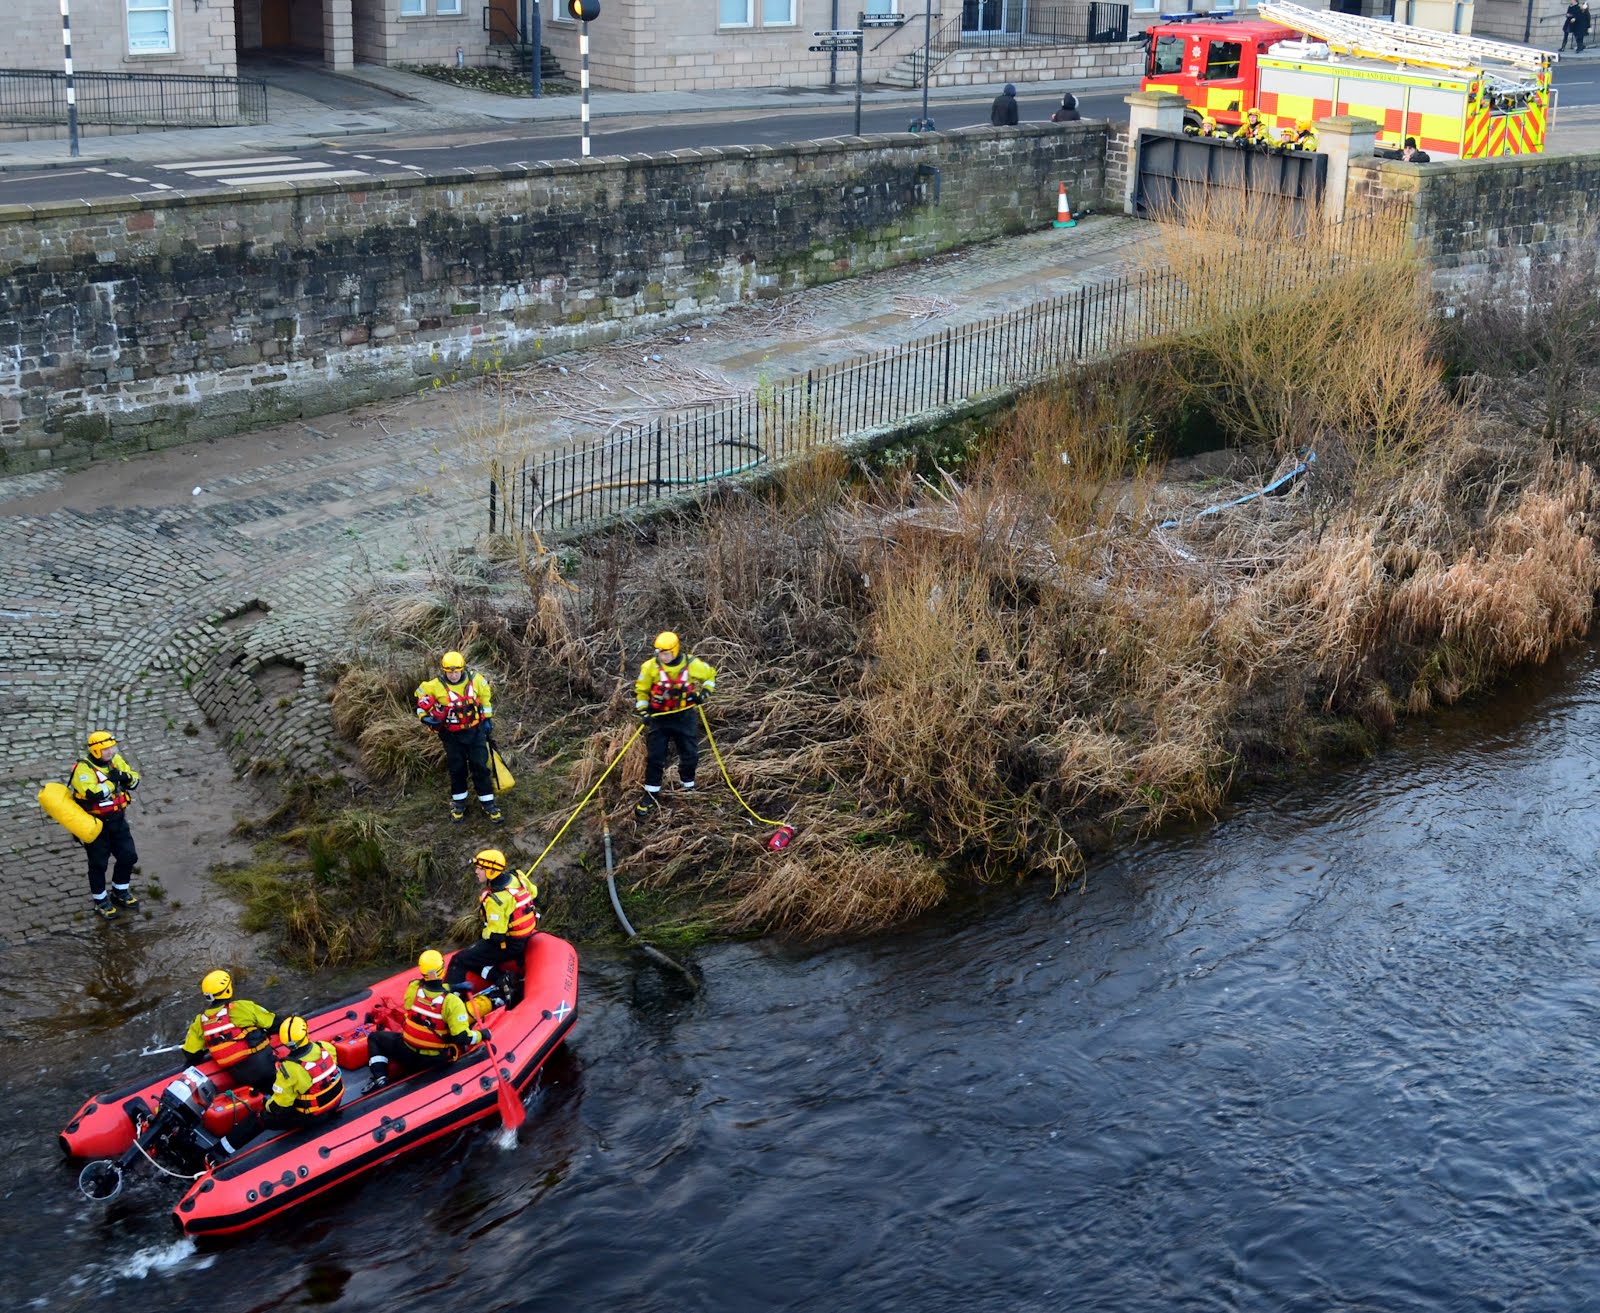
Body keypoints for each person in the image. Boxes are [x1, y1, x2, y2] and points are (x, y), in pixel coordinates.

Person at [211, 1016, 343, 1160]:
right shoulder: (325, 1047)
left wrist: (266, 1105)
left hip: (312, 1116)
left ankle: (218, 1151)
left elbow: (280, 1106)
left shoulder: (289, 1068)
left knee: (258, 1118)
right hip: (336, 1102)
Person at [367, 949, 488, 1089]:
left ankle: (380, 1077)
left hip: (407, 1051)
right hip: (434, 1059)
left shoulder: (413, 988)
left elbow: (421, 995)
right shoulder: (452, 1002)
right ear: (442, 971)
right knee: (458, 1039)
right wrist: (482, 1034)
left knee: (375, 1038)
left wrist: (453, 987)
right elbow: (462, 1037)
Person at [633, 631, 718, 817]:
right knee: (655, 758)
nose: (663, 657)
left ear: (675, 650)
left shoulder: (692, 665)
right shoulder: (650, 668)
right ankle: (651, 795)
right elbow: (641, 692)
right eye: (660, 653)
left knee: (690, 755)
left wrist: (703, 694)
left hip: (684, 717)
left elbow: (710, 677)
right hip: (659, 719)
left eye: (666, 653)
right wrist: (644, 712)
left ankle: (688, 786)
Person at [414, 649, 502, 825]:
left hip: (475, 732)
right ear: (444, 670)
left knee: (480, 766)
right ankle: (459, 803)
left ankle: (488, 802)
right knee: (457, 768)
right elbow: (420, 700)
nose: (453, 675)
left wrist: (488, 719)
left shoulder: (476, 680)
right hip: (451, 736)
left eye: (456, 671)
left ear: (463, 668)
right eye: (449, 672)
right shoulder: (433, 686)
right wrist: (425, 717)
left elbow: (485, 700)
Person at [444, 849, 540, 994]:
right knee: (474, 955)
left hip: (509, 945)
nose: (476, 871)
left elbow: (497, 935)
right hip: (524, 938)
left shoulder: (495, 900)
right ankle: (501, 978)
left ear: (490, 872)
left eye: (480, 869)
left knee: (459, 960)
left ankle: (450, 1001)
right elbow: (534, 892)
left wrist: (483, 937)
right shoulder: (518, 876)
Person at [69, 730, 141, 920]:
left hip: (117, 819)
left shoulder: (116, 760)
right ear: (95, 751)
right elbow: (93, 793)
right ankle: (100, 901)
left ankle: (120, 891)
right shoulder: (83, 769)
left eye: (111, 748)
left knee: (128, 856)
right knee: (98, 864)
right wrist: (112, 782)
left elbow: (134, 779)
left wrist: (125, 778)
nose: (110, 752)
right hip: (96, 824)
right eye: (106, 749)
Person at [180, 970, 279, 1095]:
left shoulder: (200, 1022)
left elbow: (191, 1055)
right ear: (228, 989)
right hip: (267, 1067)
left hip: (242, 1078)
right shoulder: (242, 1007)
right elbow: (275, 1023)